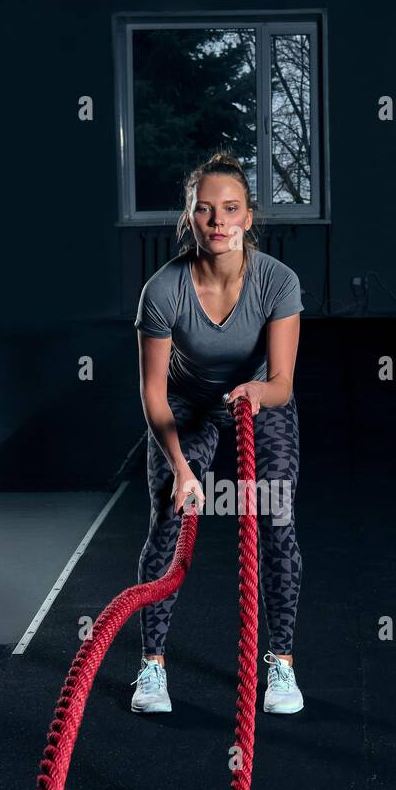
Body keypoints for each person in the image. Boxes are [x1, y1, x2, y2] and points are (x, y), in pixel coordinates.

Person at [132, 150, 304, 716]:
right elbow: (154, 392)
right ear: (190, 218)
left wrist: (256, 394)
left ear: (249, 217)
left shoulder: (278, 281)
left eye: (230, 209)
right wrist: (182, 469)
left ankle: (280, 661)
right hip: (187, 404)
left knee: (276, 520)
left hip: (259, 400)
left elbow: (281, 381)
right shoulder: (163, 290)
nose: (218, 221)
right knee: (169, 517)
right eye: (205, 211)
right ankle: (152, 666)